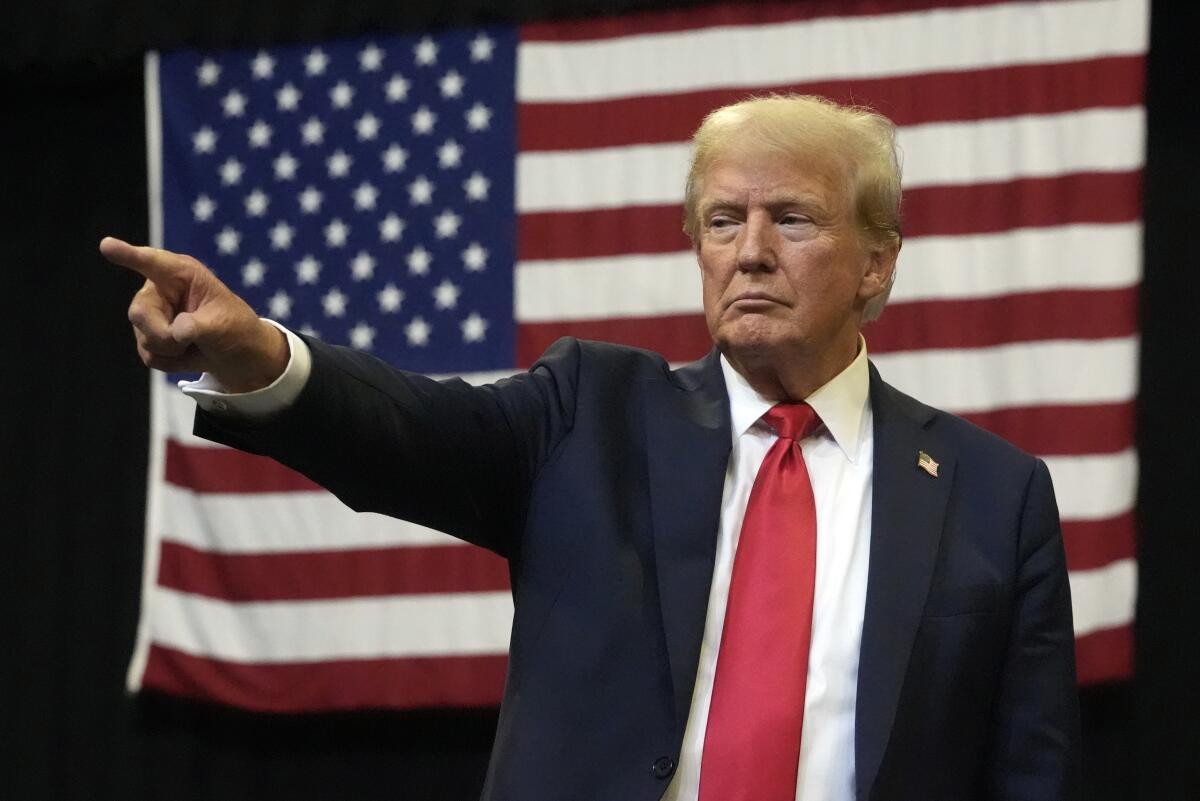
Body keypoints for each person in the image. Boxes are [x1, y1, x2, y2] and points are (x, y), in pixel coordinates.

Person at [103, 95, 1080, 801]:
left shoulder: (995, 497)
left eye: (792, 220)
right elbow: (404, 432)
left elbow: (1029, 772)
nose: (748, 252)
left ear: (877, 262)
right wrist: (257, 353)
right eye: (722, 222)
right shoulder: (591, 414)